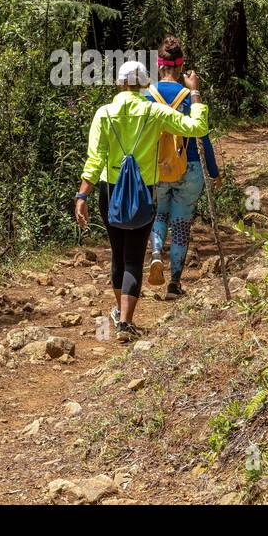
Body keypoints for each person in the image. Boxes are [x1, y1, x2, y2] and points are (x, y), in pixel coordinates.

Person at [75, 59, 208, 342]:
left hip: (109, 193)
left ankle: (118, 312)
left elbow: (94, 160)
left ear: (120, 83)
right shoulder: (153, 111)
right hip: (143, 193)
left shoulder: (104, 114)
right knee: (135, 257)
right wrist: (194, 93)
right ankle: (125, 322)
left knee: (118, 253)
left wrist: (81, 195)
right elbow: (197, 127)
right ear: (144, 84)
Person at [145, 37, 219, 299]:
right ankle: (175, 282)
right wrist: (214, 171)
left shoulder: (145, 96)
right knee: (180, 223)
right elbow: (203, 136)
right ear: (181, 66)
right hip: (190, 167)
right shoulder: (189, 97)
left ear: (158, 64)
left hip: (156, 168)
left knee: (159, 216)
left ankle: (155, 254)